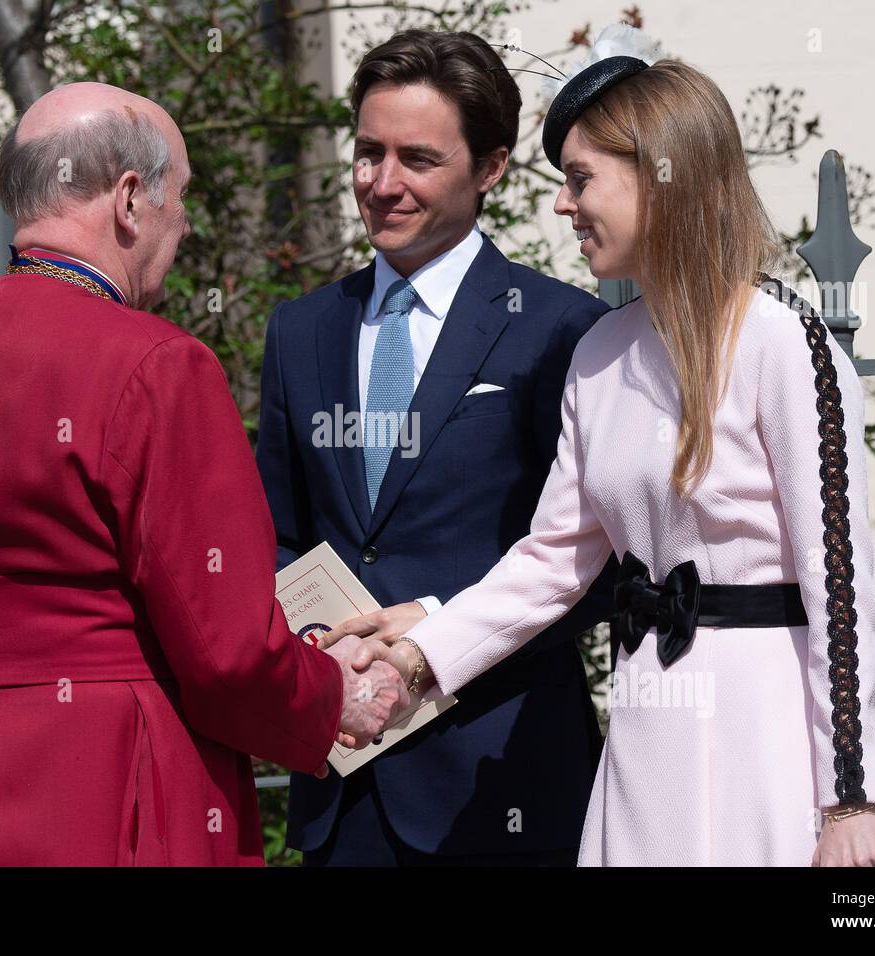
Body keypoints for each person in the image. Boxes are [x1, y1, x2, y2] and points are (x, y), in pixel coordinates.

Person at [335, 22, 875, 866]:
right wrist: (421, 654)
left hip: (771, 741)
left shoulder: (784, 340)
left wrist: (851, 797)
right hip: (647, 733)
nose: (562, 205)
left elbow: (840, 585)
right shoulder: (600, 352)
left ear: (662, 176)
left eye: (580, 179)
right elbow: (553, 561)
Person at [0, 82, 409, 867]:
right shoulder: (159, 364)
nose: (183, 223)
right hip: (106, 777)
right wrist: (335, 698)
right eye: (179, 197)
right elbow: (226, 652)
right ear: (129, 199)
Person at [256, 30, 619, 866]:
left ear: (490, 167)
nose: (382, 184)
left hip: (502, 777)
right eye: (368, 153)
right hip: (342, 781)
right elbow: (276, 530)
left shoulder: (565, 330)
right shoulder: (301, 329)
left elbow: (610, 567)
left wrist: (449, 623)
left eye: (417, 158)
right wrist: (314, 651)